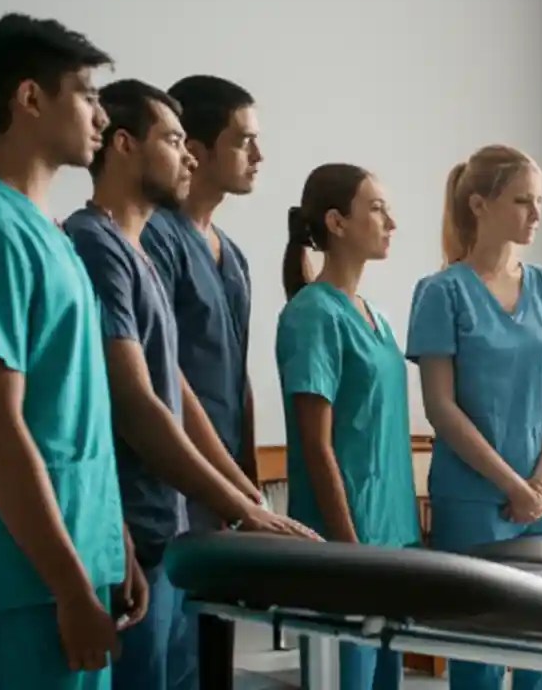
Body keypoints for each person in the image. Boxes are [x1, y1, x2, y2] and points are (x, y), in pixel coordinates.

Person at [63, 79, 320, 690]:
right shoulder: (113, 242)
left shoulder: (192, 253)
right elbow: (150, 393)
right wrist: (238, 500)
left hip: (187, 503)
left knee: (199, 667)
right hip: (155, 501)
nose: (257, 156)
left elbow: (219, 383)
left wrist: (246, 486)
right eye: (177, 141)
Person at [0, 13, 145, 690]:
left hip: (71, 561)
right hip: (24, 582)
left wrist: (111, 541)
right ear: (30, 98)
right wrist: (71, 586)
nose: (101, 115)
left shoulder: (49, 234)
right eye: (87, 93)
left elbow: (70, 415)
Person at [405, 144, 542, 690]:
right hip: (472, 497)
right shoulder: (441, 292)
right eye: (522, 201)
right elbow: (440, 406)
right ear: (480, 205)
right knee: (478, 650)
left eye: (539, 201)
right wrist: (513, 483)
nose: (536, 214)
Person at [139, 74, 264, 686]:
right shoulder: (155, 239)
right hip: (177, 483)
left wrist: (248, 485)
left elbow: (236, 376)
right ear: (199, 147)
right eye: (244, 142)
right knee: (167, 656)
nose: (258, 157)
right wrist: (225, 484)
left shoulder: (233, 255)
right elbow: (168, 376)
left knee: (211, 659)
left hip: (224, 488)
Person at [276, 163, 420, 690]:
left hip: (393, 539)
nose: (391, 222)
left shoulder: (375, 318)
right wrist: (347, 547)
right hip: (348, 543)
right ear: (337, 222)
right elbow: (316, 447)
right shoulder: (313, 314)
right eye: (376, 208)